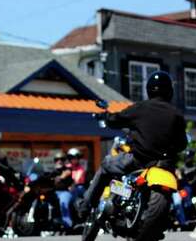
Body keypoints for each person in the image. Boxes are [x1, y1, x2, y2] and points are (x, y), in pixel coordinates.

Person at [76, 71, 187, 219]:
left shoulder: (140, 108)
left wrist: (105, 116)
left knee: (106, 164)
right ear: (170, 91)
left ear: (149, 90)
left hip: (138, 161)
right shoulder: (177, 115)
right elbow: (182, 144)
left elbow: (116, 119)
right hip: (164, 165)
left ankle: (85, 207)